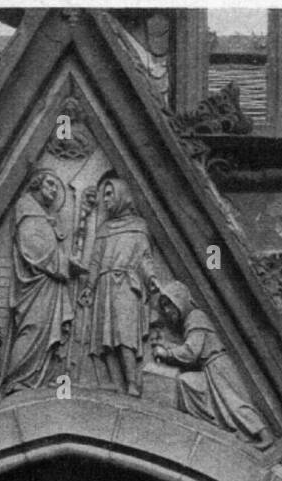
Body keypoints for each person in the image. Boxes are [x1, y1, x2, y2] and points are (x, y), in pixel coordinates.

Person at [152, 280, 268, 444]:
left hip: (218, 366)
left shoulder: (196, 317)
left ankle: (264, 436)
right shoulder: (189, 321)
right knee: (188, 382)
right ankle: (224, 426)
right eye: (164, 307)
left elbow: (191, 352)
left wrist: (166, 353)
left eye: (169, 305)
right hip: (209, 368)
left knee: (234, 402)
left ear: (180, 300)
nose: (167, 310)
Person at [0, 169, 85, 394]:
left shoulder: (41, 216)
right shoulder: (27, 211)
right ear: (35, 185)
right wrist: (66, 264)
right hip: (35, 287)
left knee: (44, 332)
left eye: (57, 186)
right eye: (49, 183)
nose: (54, 189)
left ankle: (38, 377)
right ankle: (16, 380)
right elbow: (35, 251)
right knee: (33, 329)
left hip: (48, 285)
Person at [80, 175, 156, 396]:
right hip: (104, 286)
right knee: (105, 338)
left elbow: (145, 258)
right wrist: (89, 287)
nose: (105, 199)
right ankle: (115, 383)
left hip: (125, 285)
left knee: (124, 335)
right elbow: (95, 261)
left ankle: (133, 382)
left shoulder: (139, 227)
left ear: (123, 195)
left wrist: (151, 278)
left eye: (110, 193)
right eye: (104, 194)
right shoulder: (104, 229)